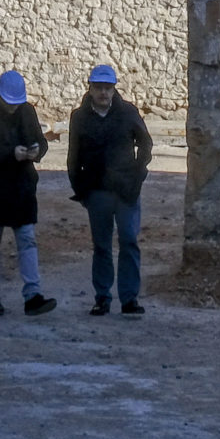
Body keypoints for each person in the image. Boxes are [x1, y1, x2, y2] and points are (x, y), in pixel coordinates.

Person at [66, 62, 154, 316]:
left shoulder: (128, 112)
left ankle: (129, 299)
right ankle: (102, 298)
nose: (103, 92)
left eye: (107, 87)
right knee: (102, 245)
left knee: (129, 240)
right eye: (99, 87)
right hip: (97, 191)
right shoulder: (80, 118)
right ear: (90, 88)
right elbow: (74, 156)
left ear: (114, 89)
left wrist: (138, 175)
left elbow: (145, 144)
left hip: (126, 190)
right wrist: (80, 189)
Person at [0, 70, 55, 315]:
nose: (13, 107)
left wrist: (37, 150)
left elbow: (41, 141)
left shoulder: (27, 111)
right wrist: (10, 154)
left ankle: (33, 295)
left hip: (21, 187)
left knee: (27, 240)